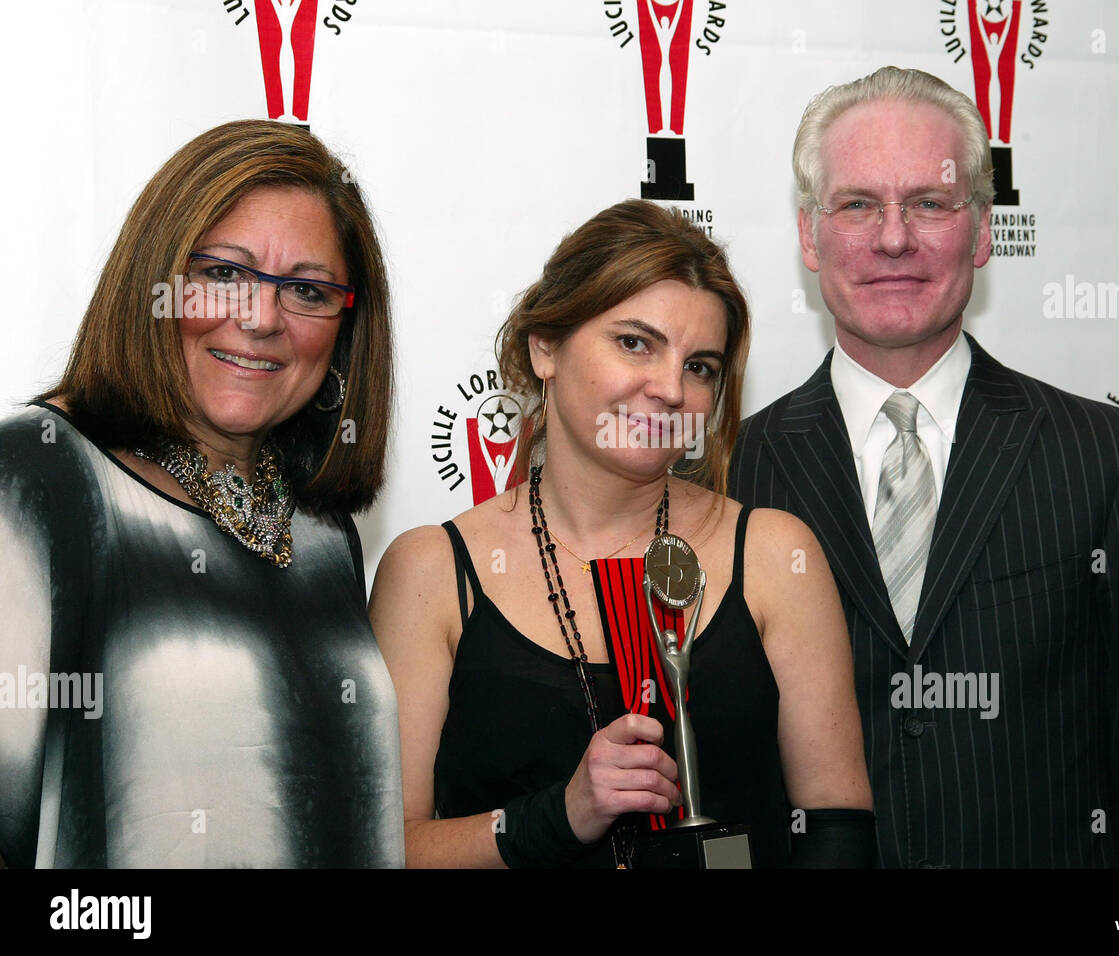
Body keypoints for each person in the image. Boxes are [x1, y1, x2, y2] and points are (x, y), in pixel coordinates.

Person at [729, 66, 1119, 868]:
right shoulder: (731, 474)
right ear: (810, 236)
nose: (893, 238)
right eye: (857, 204)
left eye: (930, 202)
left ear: (982, 228)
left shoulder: (1104, 459)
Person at [369, 199, 872, 868]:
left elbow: (835, 828)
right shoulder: (432, 570)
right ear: (544, 346)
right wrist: (560, 814)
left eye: (701, 366)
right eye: (635, 342)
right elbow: (383, 847)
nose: (670, 388)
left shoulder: (775, 555)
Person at [0, 120, 403, 867]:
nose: (259, 319)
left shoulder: (320, 531)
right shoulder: (40, 478)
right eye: (223, 273)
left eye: (307, 290)